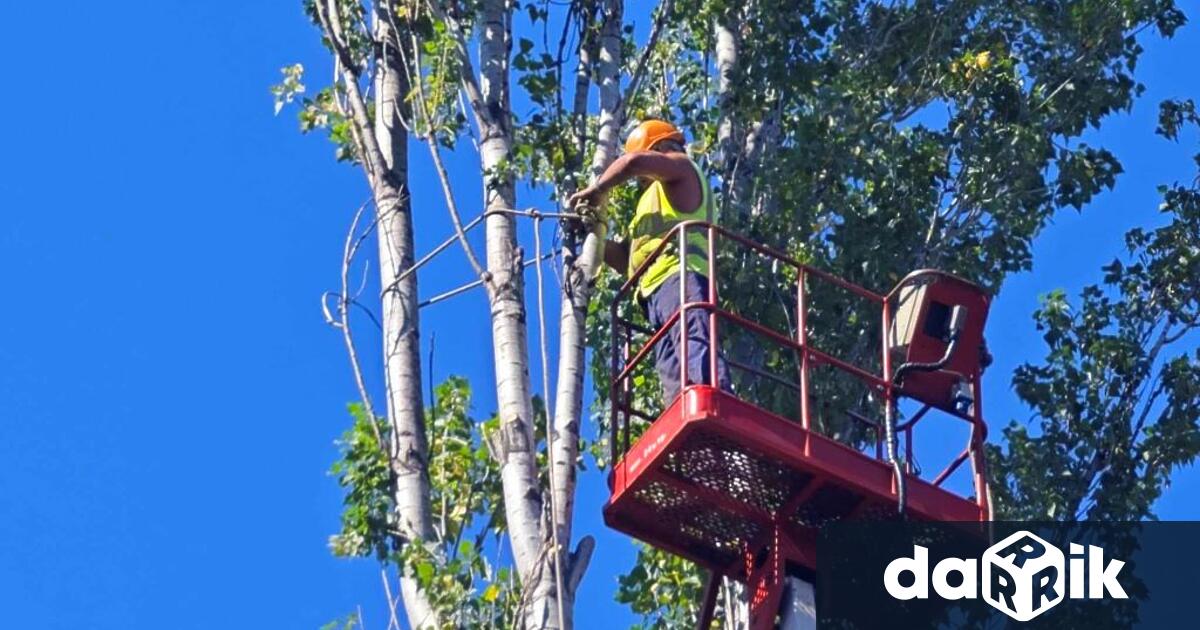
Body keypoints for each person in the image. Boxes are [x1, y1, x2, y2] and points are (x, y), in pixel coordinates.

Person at [569, 119, 730, 403]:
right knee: (671, 368)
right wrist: (593, 235)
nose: (645, 181)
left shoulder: (681, 167)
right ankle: (683, 418)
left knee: (693, 343)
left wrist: (597, 190)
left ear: (660, 148)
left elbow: (633, 162)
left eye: (646, 176)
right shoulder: (652, 203)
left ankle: (717, 404)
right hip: (655, 293)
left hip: (681, 276)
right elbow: (627, 261)